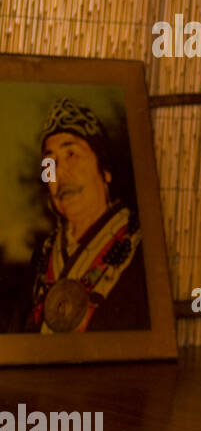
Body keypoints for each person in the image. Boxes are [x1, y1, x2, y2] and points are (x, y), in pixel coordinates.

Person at [24, 99, 148, 334]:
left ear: (105, 170)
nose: (60, 172)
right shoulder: (41, 259)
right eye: (50, 163)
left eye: (72, 154)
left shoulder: (141, 248)